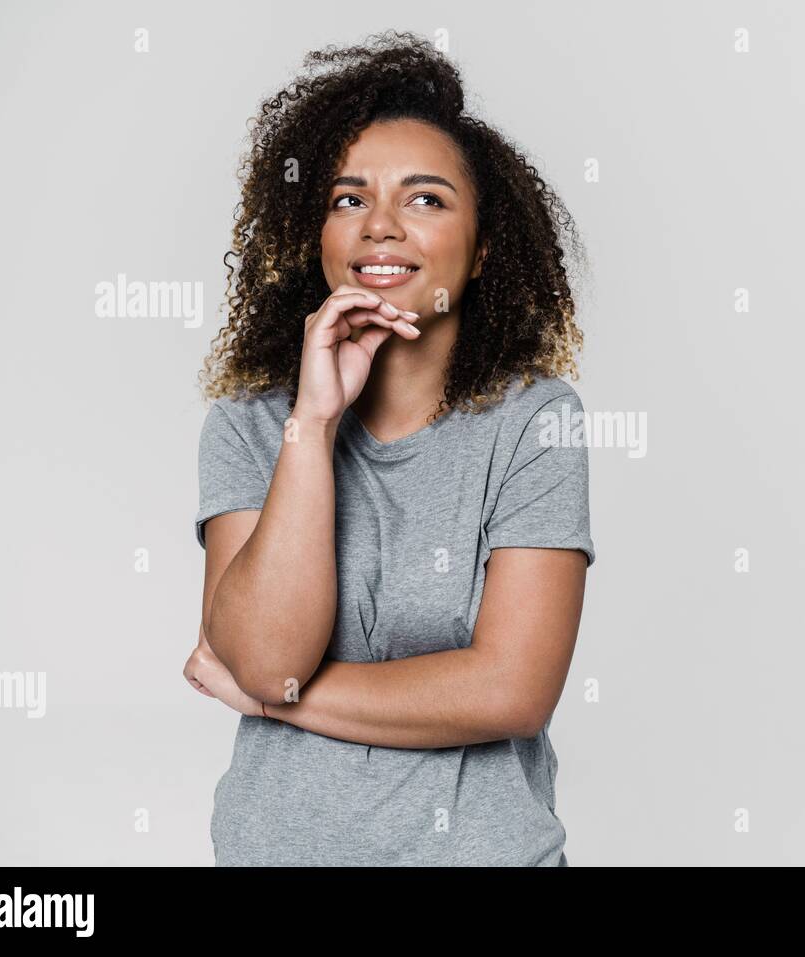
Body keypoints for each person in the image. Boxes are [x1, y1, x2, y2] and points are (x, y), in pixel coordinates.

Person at [181, 31, 594, 866]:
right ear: (317, 236)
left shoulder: (536, 422)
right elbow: (265, 656)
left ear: (483, 248)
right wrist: (313, 422)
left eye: (425, 199)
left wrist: (277, 702)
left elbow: (511, 690)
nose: (380, 226)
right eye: (348, 200)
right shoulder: (251, 424)